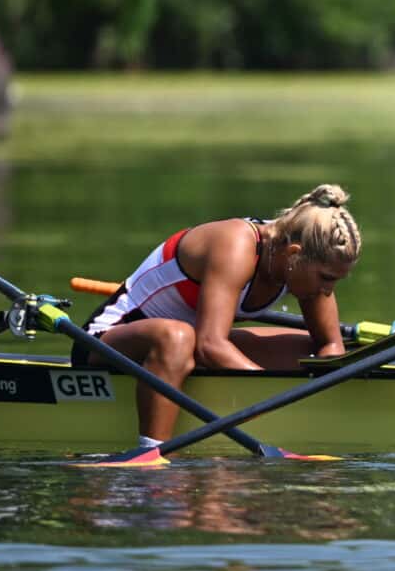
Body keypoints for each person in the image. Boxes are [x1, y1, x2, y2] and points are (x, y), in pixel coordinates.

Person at [85, 184, 362, 449]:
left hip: (196, 345)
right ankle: (151, 454)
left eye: (336, 280)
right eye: (326, 278)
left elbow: (331, 347)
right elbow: (210, 345)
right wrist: (269, 393)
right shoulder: (236, 245)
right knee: (178, 337)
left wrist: (327, 375)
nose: (328, 289)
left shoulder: (304, 255)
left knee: (308, 352)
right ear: (293, 255)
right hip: (108, 341)